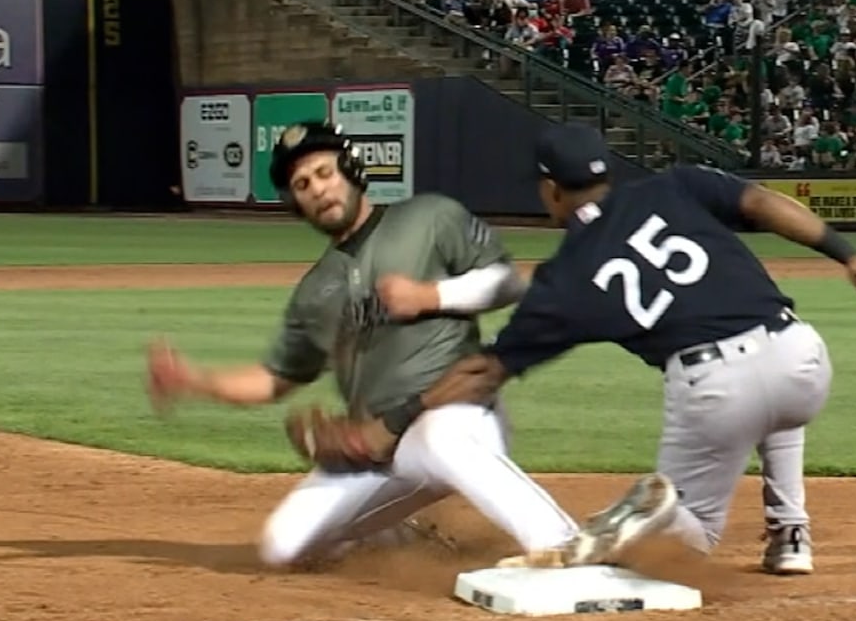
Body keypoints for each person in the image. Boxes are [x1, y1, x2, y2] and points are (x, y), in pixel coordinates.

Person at [313, 123, 856, 575]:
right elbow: (761, 203)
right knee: (779, 402)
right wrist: (849, 255)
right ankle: (791, 533)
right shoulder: (678, 185)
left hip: (716, 389)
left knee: (692, 532)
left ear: (550, 190)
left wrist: (395, 422)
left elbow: (483, 371)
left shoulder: (567, 276)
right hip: (802, 356)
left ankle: (650, 519)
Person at [144, 120, 670, 570]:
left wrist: (430, 294)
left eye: (324, 172)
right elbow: (275, 377)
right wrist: (195, 380)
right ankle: (395, 534)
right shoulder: (315, 291)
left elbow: (506, 282)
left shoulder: (428, 217)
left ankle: (564, 546)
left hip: (455, 413)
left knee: (440, 441)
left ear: (351, 169)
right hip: (372, 446)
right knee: (283, 547)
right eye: (303, 184)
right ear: (294, 201)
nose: (318, 189)